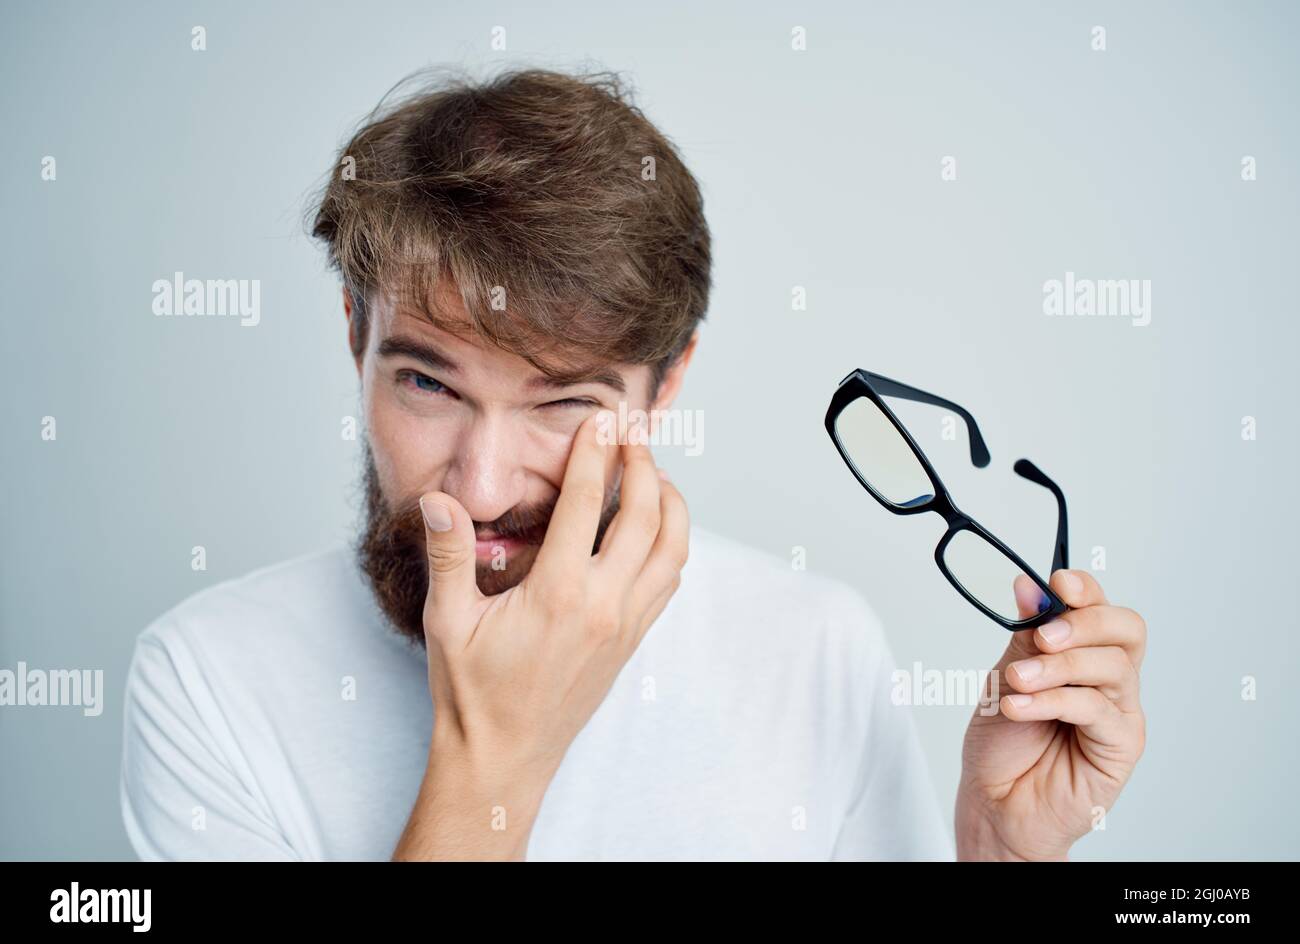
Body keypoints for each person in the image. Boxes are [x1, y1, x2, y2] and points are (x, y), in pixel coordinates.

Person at [120, 67, 1146, 861]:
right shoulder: (208, 681)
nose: (477, 489)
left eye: (562, 403)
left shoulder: (815, 648)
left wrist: (1002, 855)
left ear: (667, 385)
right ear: (355, 339)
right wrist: (497, 755)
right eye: (427, 385)